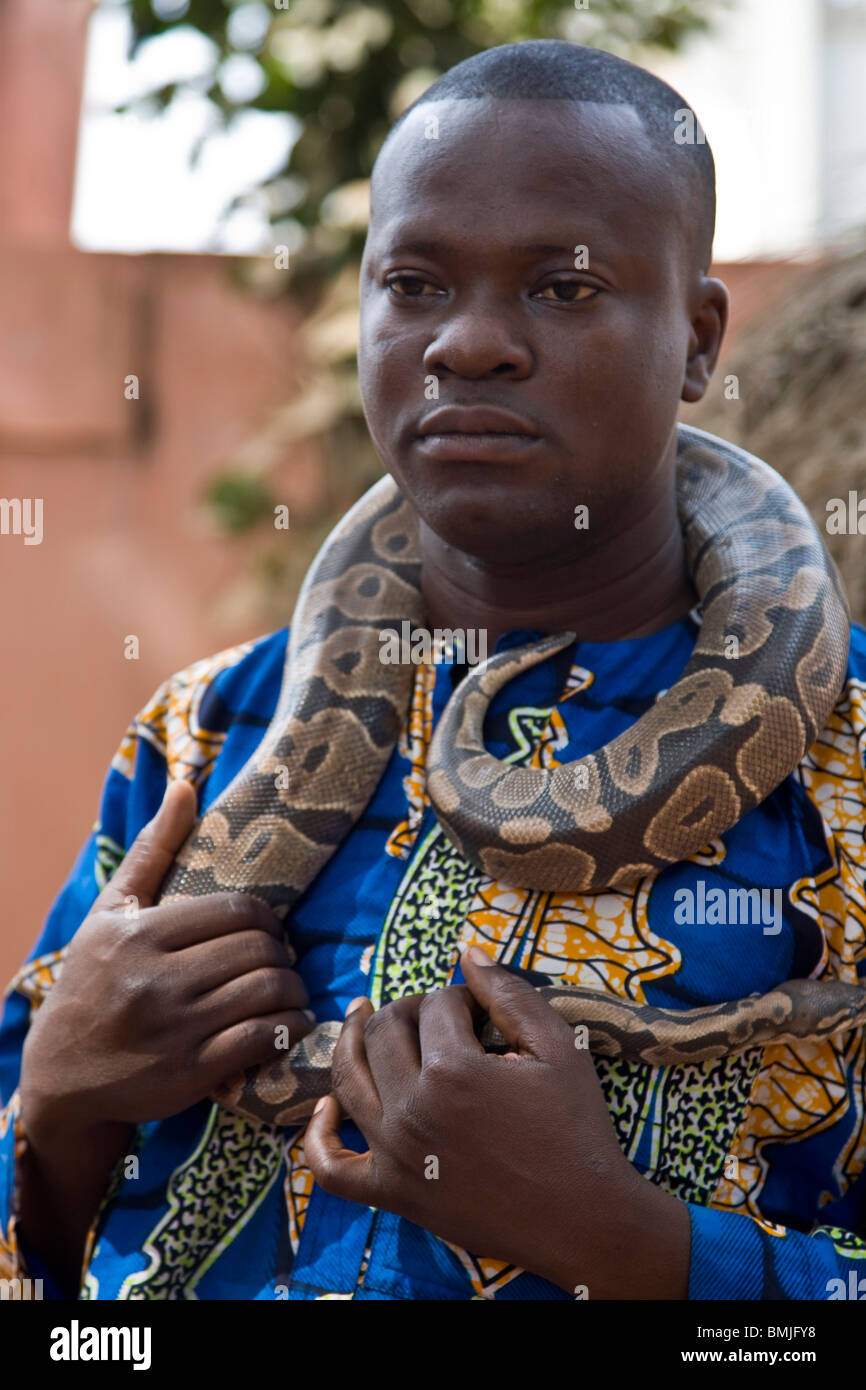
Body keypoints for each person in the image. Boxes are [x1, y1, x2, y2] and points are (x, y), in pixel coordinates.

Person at [2, 39, 865, 1303]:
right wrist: (61, 1101)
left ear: (694, 340)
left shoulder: (844, 760)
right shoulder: (203, 729)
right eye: (411, 282)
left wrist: (625, 1241)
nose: (466, 344)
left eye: (561, 290)